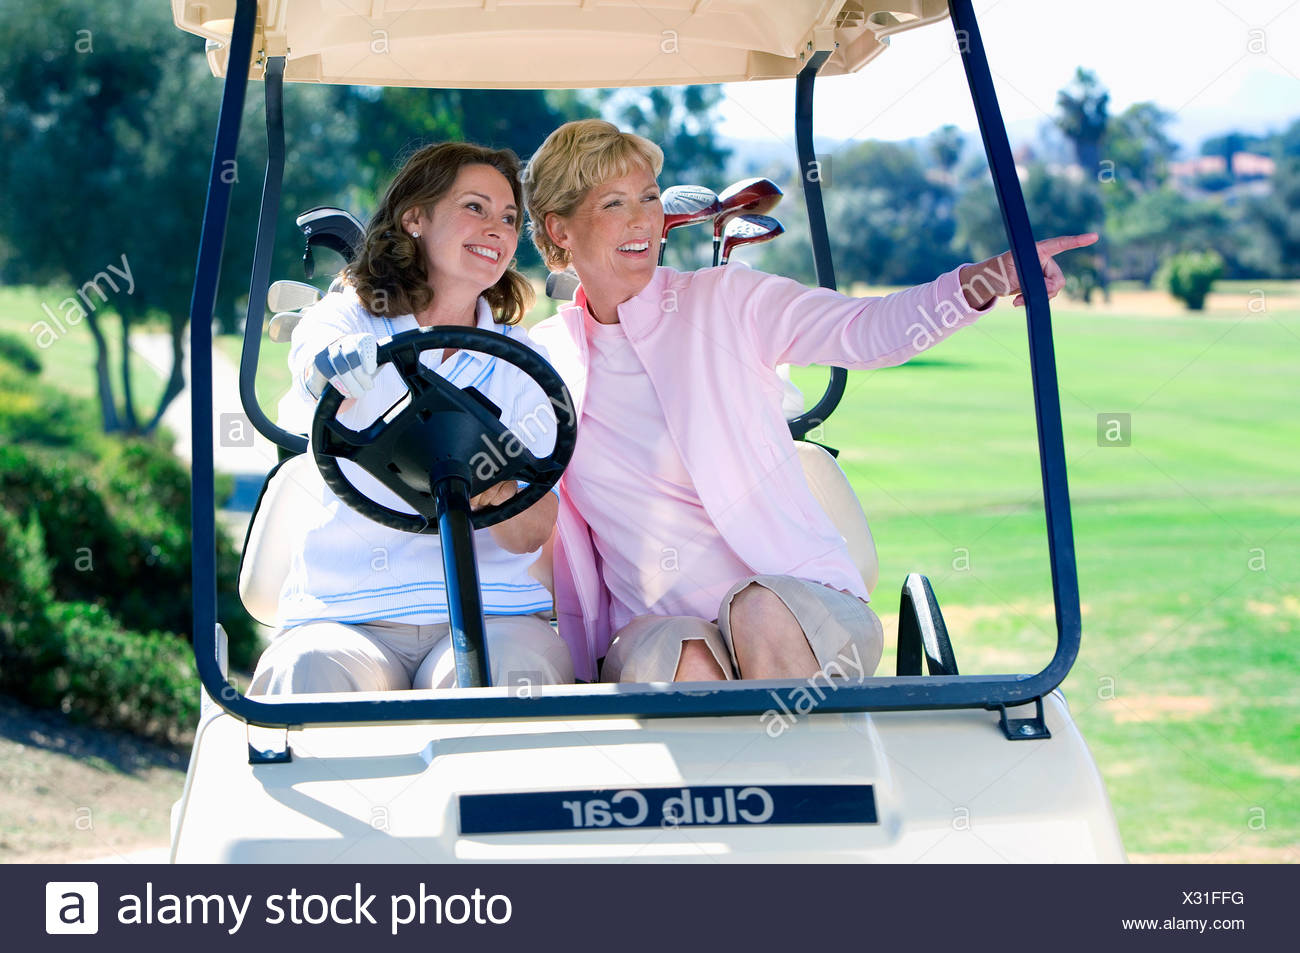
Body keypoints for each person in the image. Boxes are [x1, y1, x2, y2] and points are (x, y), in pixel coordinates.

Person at [523, 118, 1096, 684]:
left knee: (760, 613)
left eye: (649, 197)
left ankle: (797, 771)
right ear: (561, 230)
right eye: (613, 203)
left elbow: (866, 331)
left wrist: (983, 280)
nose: (642, 219)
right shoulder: (542, 361)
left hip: (805, 608)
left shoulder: (728, 300)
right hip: (655, 629)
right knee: (680, 660)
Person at [250, 142, 572, 695]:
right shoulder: (350, 320)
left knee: (498, 680)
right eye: (475, 207)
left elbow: (531, 534)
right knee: (305, 675)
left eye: (509, 218)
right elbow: (316, 359)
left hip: (494, 613)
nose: (496, 228)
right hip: (348, 614)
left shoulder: (523, 360)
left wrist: (503, 488)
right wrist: (335, 371)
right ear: (415, 218)